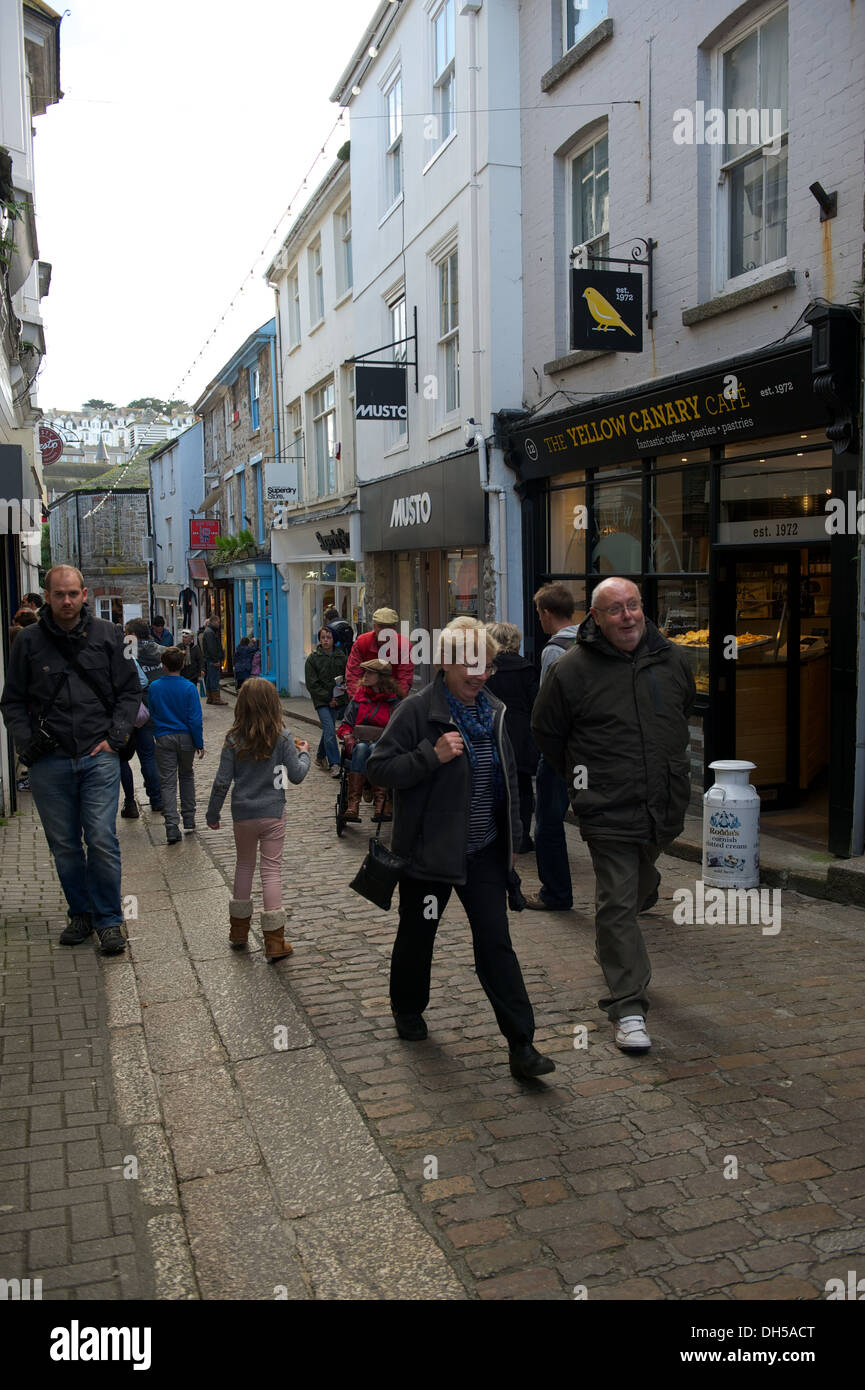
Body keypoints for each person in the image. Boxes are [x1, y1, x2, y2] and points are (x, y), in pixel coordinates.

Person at [367, 617, 555, 1081]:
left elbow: (507, 779)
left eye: (487, 665)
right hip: (429, 856)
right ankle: (408, 1008)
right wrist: (430, 756)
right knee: (418, 936)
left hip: (484, 853)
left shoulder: (493, 710)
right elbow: (378, 767)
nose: (481, 674)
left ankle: (522, 1044)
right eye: (472, 664)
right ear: (446, 663)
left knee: (495, 942)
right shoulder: (416, 711)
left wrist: (513, 838)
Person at [531, 577, 696, 1053]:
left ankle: (616, 934)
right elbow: (546, 731)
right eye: (615, 609)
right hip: (606, 807)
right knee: (618, 904)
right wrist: (583, 778)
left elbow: (681, 710)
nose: (627, 616)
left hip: (663, 805)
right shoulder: (570, 670)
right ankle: (628, 1007)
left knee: (637, 890)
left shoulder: (673, 660)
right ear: (596, 618)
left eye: (633, 605)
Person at [0, 564, 140, 955]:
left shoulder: (109, 635)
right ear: (46, 596)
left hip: (98, 756)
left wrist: (115, 739)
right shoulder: (28, 641)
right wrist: (28, 745)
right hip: (50, 762)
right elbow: (12, 701)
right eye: (59, 594)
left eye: (73, 593)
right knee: (64, 845)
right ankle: (81, 913)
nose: (66, 600)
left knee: (101, 839)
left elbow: (130, 691)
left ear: (84, 594)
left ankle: (109, 921)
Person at [205, 677, 310, 962]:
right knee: (271, 871)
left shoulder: (233, 739)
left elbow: (221, 781)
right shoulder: (283, 737)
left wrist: (213, 813)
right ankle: (274, 941)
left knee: (244, 866)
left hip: (243, 814)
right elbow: (297, 775)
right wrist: (304, 754)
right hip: (273, 813)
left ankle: (239, 931)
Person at [523, 583, 581, 913]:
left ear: (546, 612)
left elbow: (547, 706)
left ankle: (556, 893)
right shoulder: (592, 639)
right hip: (595, 746)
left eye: (538, 613)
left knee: (548, 822)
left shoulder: (554, 650)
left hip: (562, 750)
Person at [485, 622, 539, 854]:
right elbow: (536, 704)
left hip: (494, 730)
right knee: (522, 787)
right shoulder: (526, 669)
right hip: (521, 733)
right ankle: (522, 836)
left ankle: (496, 834)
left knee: (492, 784)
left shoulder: (487, 668)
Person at [147, 646, 205, 843]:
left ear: (163, 666)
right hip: (186, 737)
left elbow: (152, 712)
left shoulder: (154, 687)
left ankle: (171, 826)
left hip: (164, 737)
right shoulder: (189, 687)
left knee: (167, 782)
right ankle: (189, 818)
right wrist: (199, 742)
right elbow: (195, 719)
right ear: (182, 665)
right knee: (186, 776)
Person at [338, 659, 401, 822]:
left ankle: (381, 802)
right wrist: (347, 736)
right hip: (360, 744)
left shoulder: (394, 703)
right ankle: (353, 804)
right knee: (361, 748)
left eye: (370, 673)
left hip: (383, 747)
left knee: (374, 749)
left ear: (382, 678)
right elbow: (346, 724)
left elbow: (400, 729)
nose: (365, 675)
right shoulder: (358, 699)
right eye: (365, 672)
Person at [119, 618, 166, 817]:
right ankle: (157, 799)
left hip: (131, 708)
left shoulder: (128, 649)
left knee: (122, 758)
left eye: (126, 632)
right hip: (151, 708)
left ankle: (130, 803)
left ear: (132, 634)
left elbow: (135, 679)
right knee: (148, 755)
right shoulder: (159, 650)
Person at [305, 625, 347, 776]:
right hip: (321, 701)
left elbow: (346, 678)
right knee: (329, 729)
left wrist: (339, 697)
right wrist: (327, 698)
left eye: (328, 637)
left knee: (327, 731)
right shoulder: (313, 658)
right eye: (323, 637)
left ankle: (320, 756)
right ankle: (335, 763)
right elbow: (312, 684)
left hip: (336, 700)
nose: (325, 640)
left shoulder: (341, 657)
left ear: (333, 639)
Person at [344, 607, 413, 699]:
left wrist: (396, 701)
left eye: (389, 627)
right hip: (365, 696)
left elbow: (405, 678)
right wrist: (358, 700)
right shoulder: (362, 643)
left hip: (392, 696)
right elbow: (353, 674)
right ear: (374, 626)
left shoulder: (404, 645)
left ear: (395, 628)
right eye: (381, 627)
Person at [201, 615, 226, 705]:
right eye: (218, 622)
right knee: (214, 679)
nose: (219, 624)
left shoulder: (209, 631)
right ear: (213, 622)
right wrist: (216, 660)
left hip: (210, 660)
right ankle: (216, 698)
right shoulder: (210, 633)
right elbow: (212, 648)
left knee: (210, 678)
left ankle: (210, 697)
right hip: (212, 660)